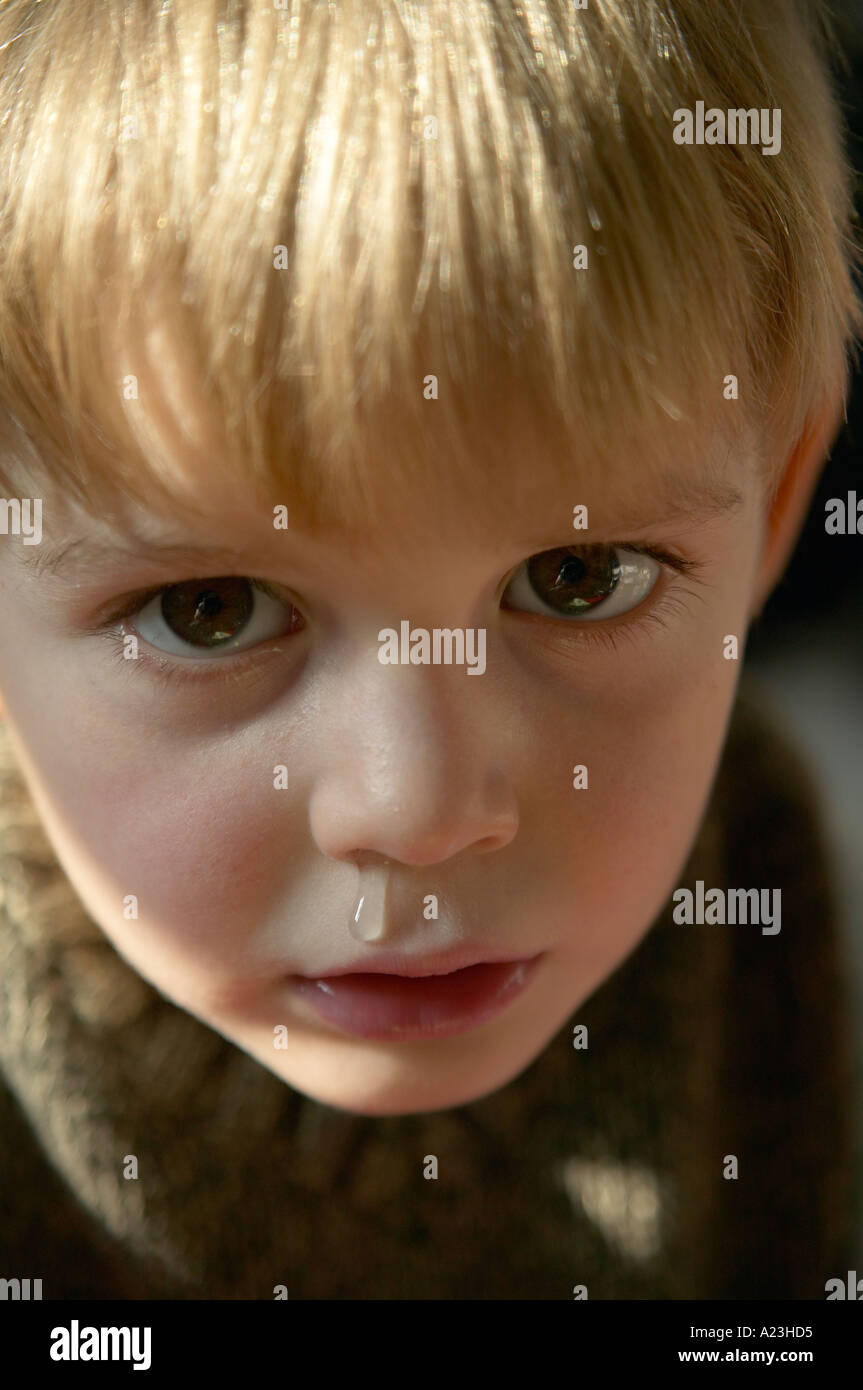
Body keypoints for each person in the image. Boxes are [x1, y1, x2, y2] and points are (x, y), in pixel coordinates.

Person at [0, 0, 858, 1298]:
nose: (421, 809)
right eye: (211, 609)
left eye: (578, 579)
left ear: (781, 502)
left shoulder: (747, 872)